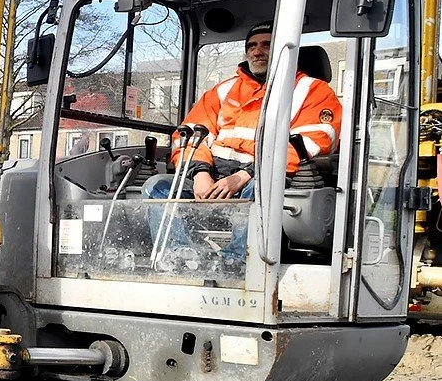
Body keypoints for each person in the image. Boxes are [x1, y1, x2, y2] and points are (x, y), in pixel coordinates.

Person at [143, 23, 342, 266]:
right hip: (213, 176)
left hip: (263, 178)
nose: (258, 51)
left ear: (284, 49)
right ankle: (183, 258)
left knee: (260, 191)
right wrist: (200, 173)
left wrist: (244, 176)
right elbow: (191, 135)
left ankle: (234, 264)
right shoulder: (223, 91)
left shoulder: (313, 91)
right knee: (157, 187)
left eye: (267, 44)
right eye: (252, 45)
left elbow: (314, 141)